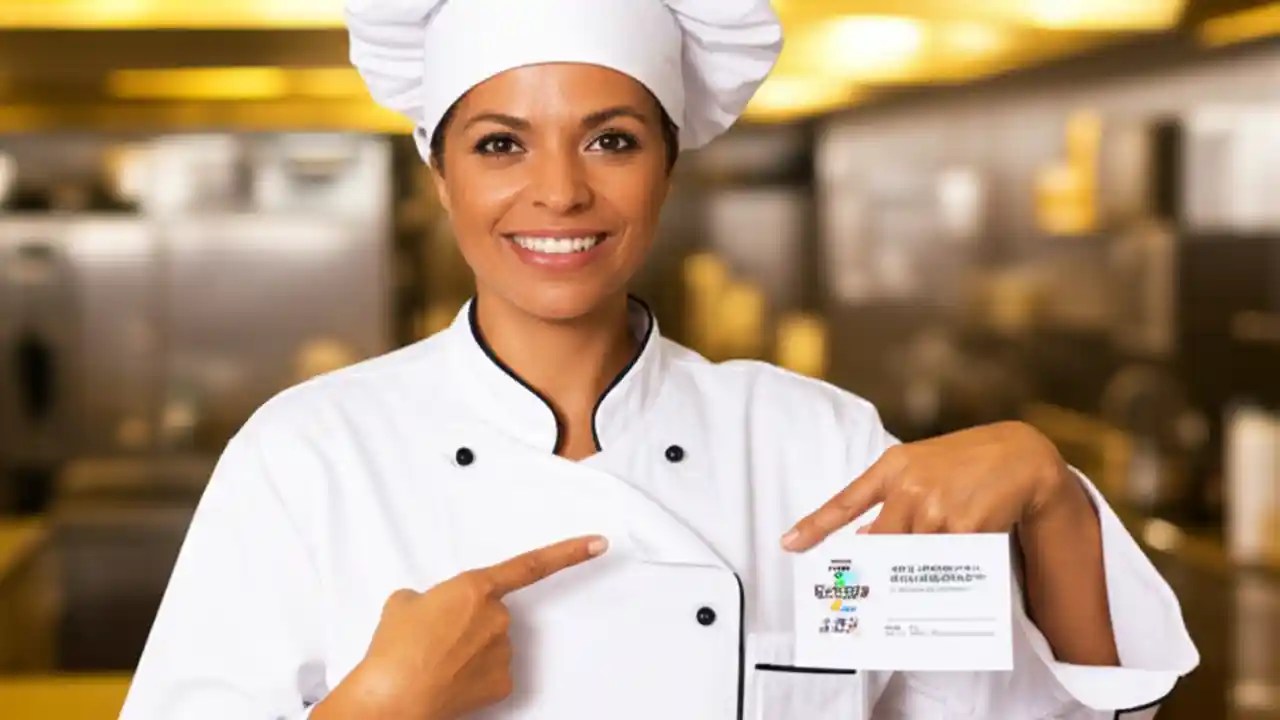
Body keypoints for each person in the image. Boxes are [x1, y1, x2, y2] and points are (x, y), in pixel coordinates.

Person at [120, 1, 1198, 718]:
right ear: (439, 177)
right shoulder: (312, 455)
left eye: (611, 139)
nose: (557, 192)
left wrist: (1050, 501)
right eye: (499, 143)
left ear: (668, 170)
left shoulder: (815, 446)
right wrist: (372, 711)